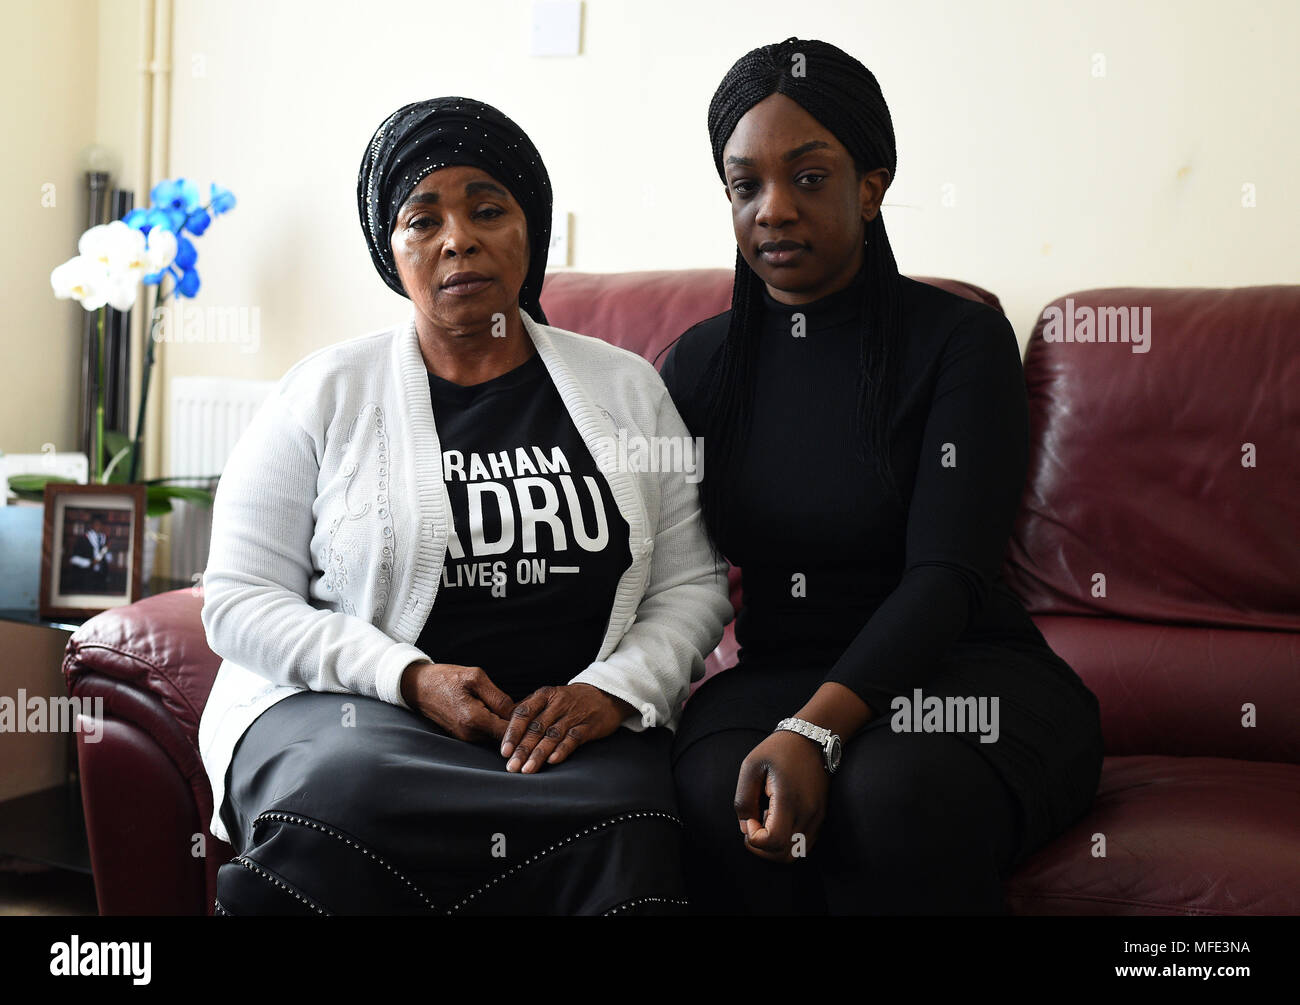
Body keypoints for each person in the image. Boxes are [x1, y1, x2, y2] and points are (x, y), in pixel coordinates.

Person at [198, 96, 732, 916]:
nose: (458, 238)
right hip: (362, 720)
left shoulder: (627, 387)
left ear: (531, 228)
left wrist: (613, 692)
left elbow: (692, 586)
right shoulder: (323, 392)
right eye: (423, 219)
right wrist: (407, 676)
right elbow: (237, 599)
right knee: (339, 803)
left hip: (567, 732)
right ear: (392, 249)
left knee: (632, 837)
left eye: (488, 208)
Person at [659, 37, 1105, 915]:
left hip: (962, 674)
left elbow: (948, 577)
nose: (774, 210)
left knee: (889, 796)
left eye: (811, 177)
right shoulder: (698, 366)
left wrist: (814, 729)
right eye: (746, 186)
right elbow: (653, 565)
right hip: (775, 671)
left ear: (872, 186)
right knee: (715, 792)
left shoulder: (959, 341)